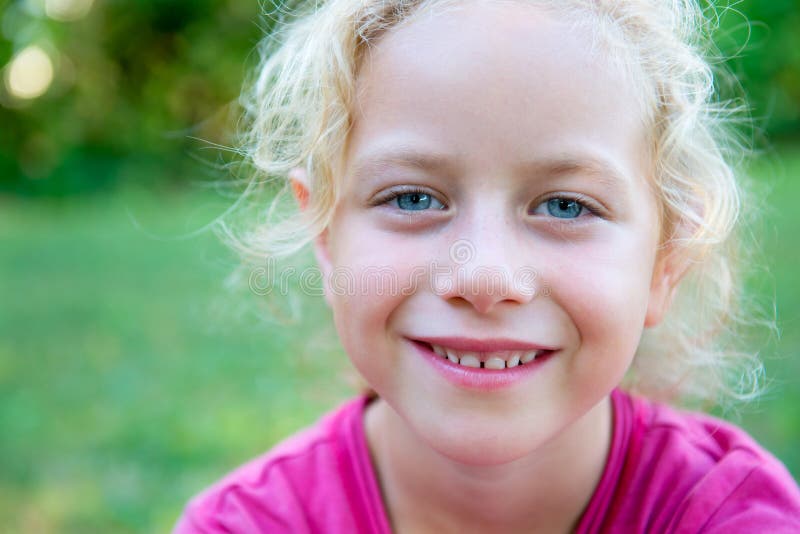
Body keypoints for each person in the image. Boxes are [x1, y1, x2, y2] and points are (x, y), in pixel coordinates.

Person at [175, 0, 800, 531]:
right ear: (326, 235)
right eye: (413, 198)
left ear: (665, 261)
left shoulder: (729, 514)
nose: (483, 278)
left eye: (565, 205)